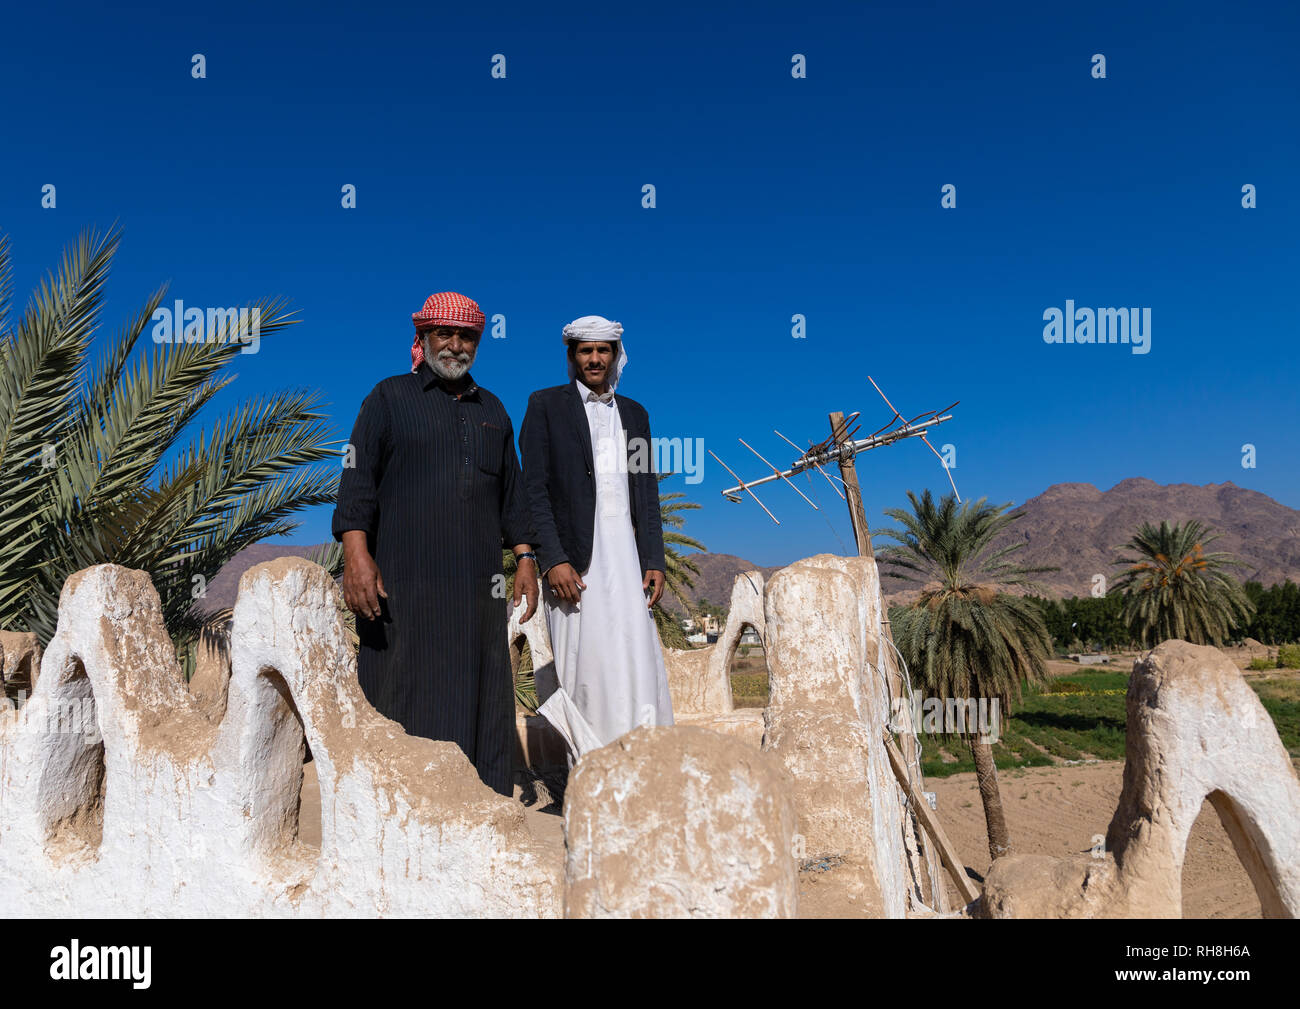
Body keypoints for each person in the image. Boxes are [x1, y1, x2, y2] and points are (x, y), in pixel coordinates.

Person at [332, 292, 539, 796]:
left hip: (476, 590)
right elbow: (356, 482)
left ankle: (484, 808)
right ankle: (399, 811)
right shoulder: (388, 398)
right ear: (423, 339)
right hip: (402, 586)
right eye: (444, 334)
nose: (455, 345)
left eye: (466, 336)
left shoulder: (493, 410)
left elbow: (512, 494)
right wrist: (356, 556)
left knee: (483, 691)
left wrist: (526, 558)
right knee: (400, 689)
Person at [519, 315, 674, 764]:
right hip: (576, 564)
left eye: (602, 350)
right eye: (585, 351)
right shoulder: (545, 405)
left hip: (627, 559)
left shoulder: (636, 414)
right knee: (584, 667)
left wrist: (655, 559)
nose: (594, 358)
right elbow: (535, 489)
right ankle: (591, 776)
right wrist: (553, 560)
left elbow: (646, 491)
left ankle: (644, 769)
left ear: (615, 355)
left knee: (636, 659)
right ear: (572, 357)